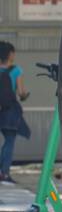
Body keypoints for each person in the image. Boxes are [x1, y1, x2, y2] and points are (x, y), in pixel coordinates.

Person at [0, 41, 31, 186]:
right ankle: (4, 173)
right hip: (9, 113)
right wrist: (25, 95)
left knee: (7, 142)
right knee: (9, 142)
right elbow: (21, 93)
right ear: (11, 54)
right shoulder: (16, 70)